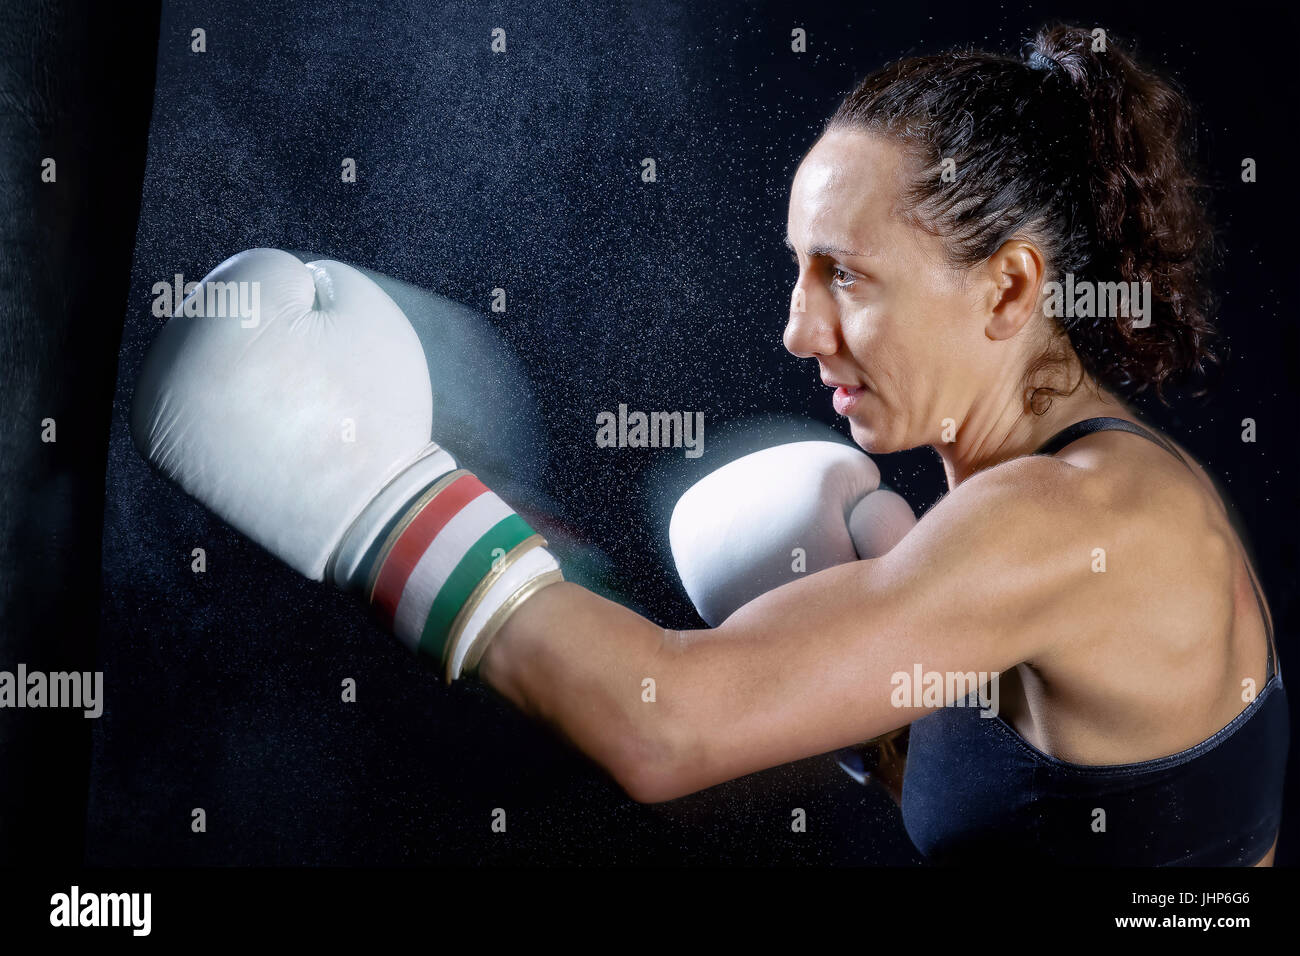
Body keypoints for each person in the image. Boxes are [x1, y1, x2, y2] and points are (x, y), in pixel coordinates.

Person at [132, 24, 1287, 865]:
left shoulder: (1069, 523)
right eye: (797, 268)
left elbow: (661, 727)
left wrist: (378, 502)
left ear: (1010, 288)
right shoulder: (1060, 502)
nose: (798, 327)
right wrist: (884, 735)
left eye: (846, 275)